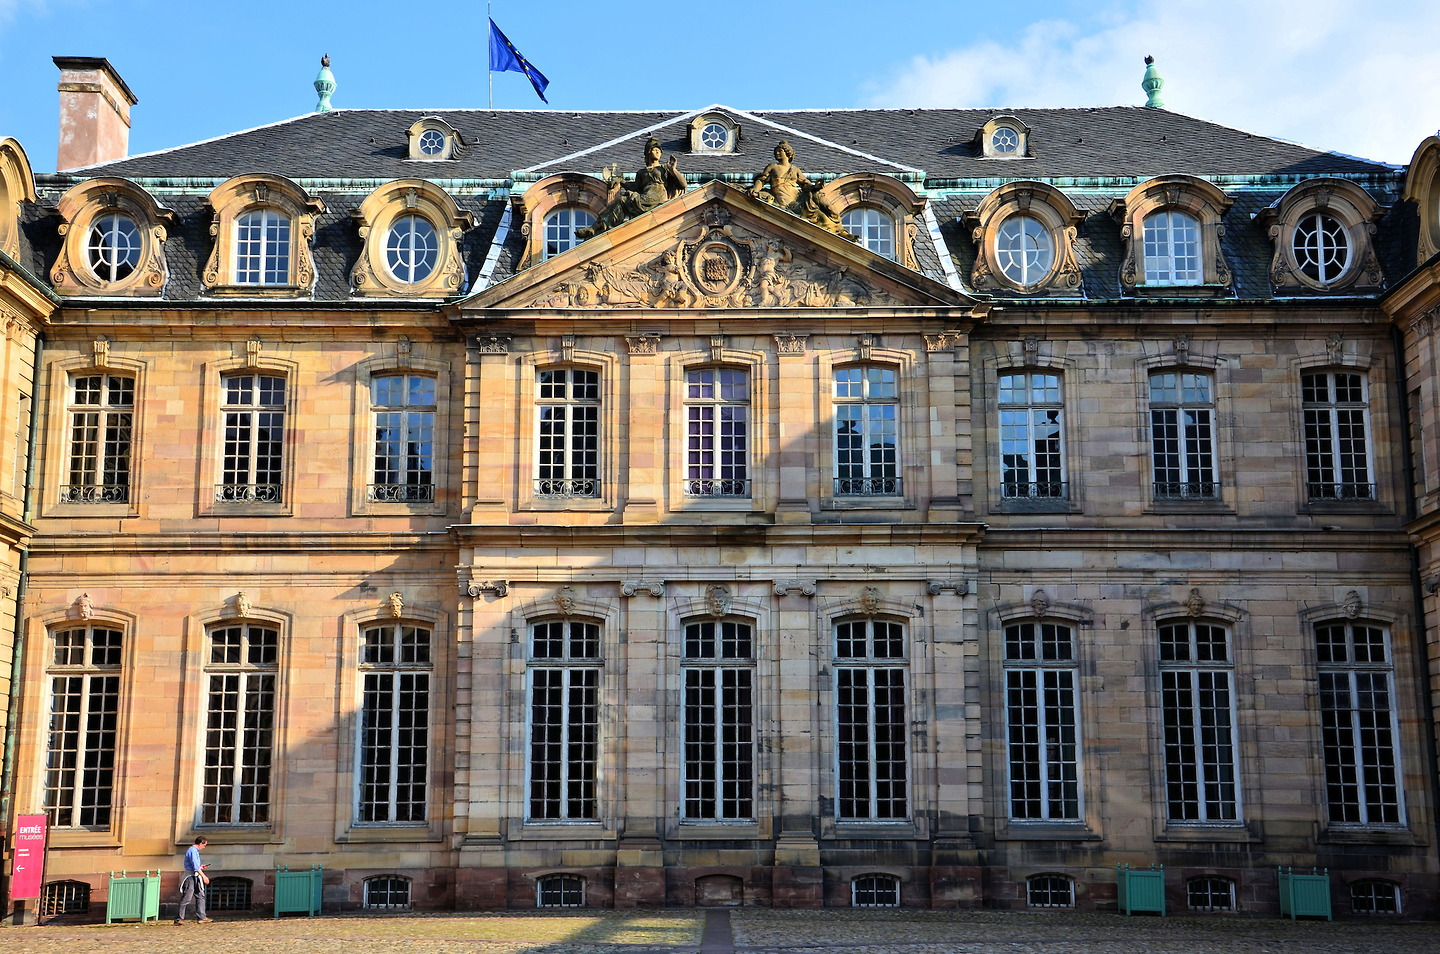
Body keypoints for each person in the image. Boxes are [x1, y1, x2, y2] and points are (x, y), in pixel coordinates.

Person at [575, 137, 685, 239]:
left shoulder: (664, 168)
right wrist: (620, 181)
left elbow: (683, 185)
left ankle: (598, 228)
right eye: (654, 149)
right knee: (620, 201)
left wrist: (673, 170)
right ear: (648, 152)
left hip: (657, 195)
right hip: (645, 195)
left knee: (623, 200)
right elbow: (634, 187)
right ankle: (597, 227)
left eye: (659, 151)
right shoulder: (641, 172)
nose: (657, 152)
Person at [175, 836, 212, 924]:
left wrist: (201, 867)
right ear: (200, 843)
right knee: (187, 897)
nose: (204, 847)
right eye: (204, 845)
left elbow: (195, 865)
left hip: (195, 876)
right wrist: (204, 876)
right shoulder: (192, 851)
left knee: (200, 896)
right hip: (190, 877)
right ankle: (179, 918)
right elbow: (195, 867)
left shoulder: (195, 851)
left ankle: (201, 916)